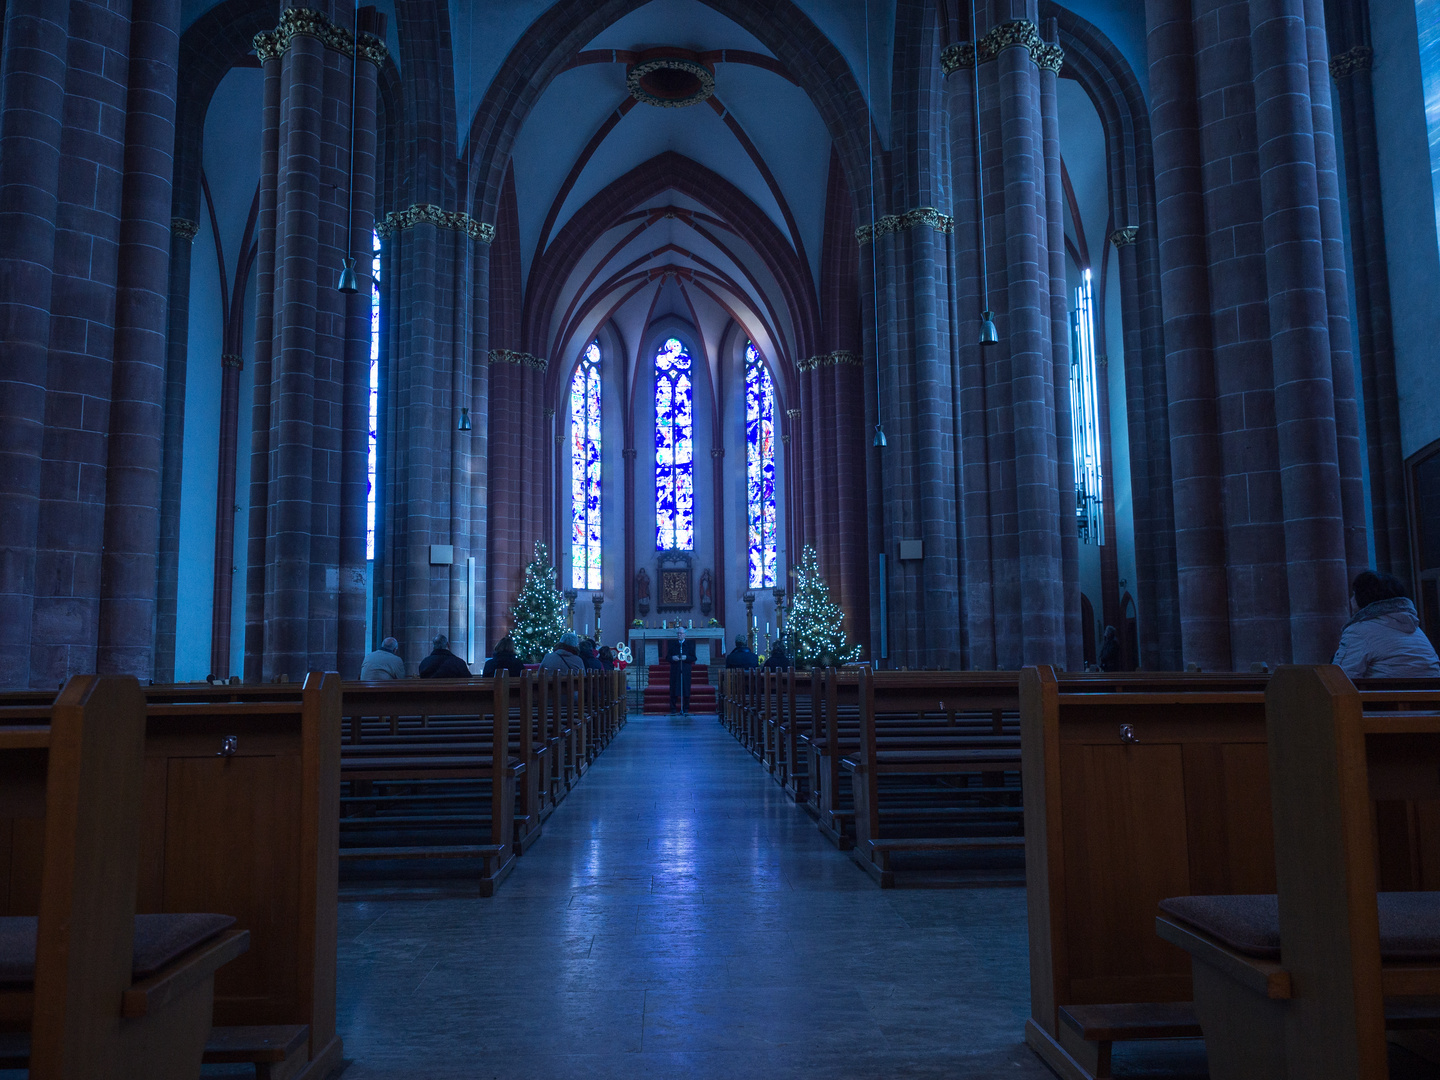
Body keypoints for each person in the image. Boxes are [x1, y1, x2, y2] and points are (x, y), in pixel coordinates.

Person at [1333, 571, 1440, 678]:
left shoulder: (1358, 631)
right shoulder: (1414, 627)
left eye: (1354, 594)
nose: (1351, 600)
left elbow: (1340, 679)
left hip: (1388, 694)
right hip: (1431, 693)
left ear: (1362, 598)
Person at [664, 628, 696, 713]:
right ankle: (673, 708)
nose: (679, 635)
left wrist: (686, 658)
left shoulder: (689, 644)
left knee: (686, 688)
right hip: (675, 669)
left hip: (685, 669)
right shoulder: (673, 644)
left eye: (681, 633)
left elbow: (694, 657)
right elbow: (667, 657)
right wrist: (672, 658)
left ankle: (686, 708)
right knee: (674, 688)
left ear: (685, 634)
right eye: (678, 633)